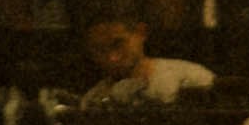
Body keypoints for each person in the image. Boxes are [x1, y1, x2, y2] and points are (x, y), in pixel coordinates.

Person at [77, 13, 216, 102]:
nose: (112, 57)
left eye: (118, 44)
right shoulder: (94, 100)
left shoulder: (193, 79)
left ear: (141, 33)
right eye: (100, 49)